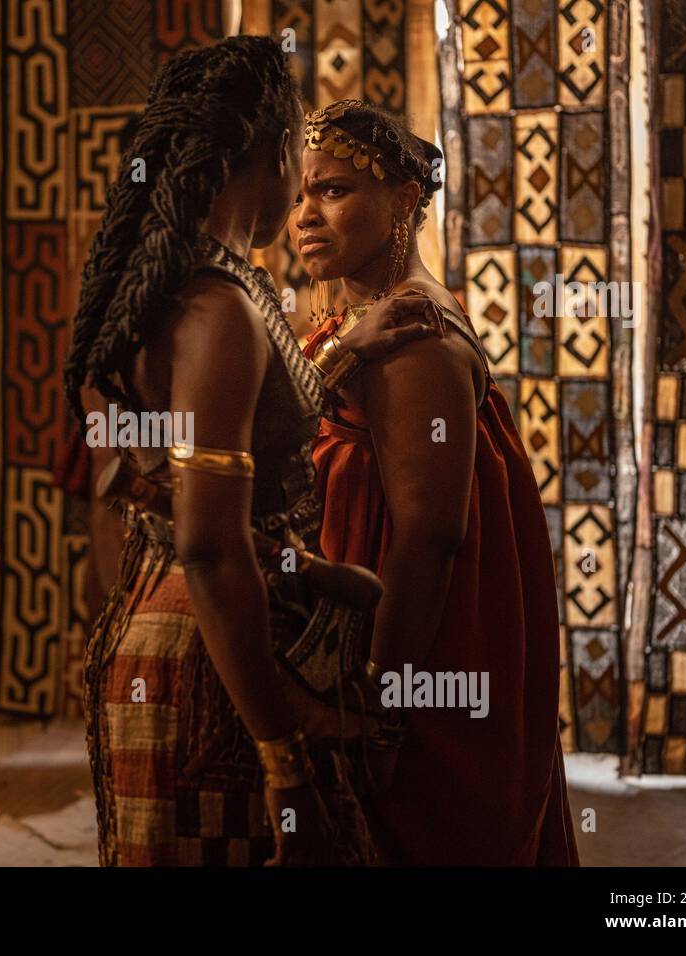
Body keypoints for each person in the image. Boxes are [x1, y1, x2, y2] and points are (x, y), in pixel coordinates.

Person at [64, 38, 436, 867]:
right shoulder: (219, 306)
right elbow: (206, 541)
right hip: (221, 658)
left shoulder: (143, 294)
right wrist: (285, 761)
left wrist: (338, 354)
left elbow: (147, 479)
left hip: (149, 628)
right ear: (275, 154)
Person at [291, 99, 580, 864]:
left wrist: (383, 701)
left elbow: (429, 535)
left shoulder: (413, 338)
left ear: (404, 201)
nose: (305, 215)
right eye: (298, 194)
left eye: (333, 191)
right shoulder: (361, 325)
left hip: (414, 647)